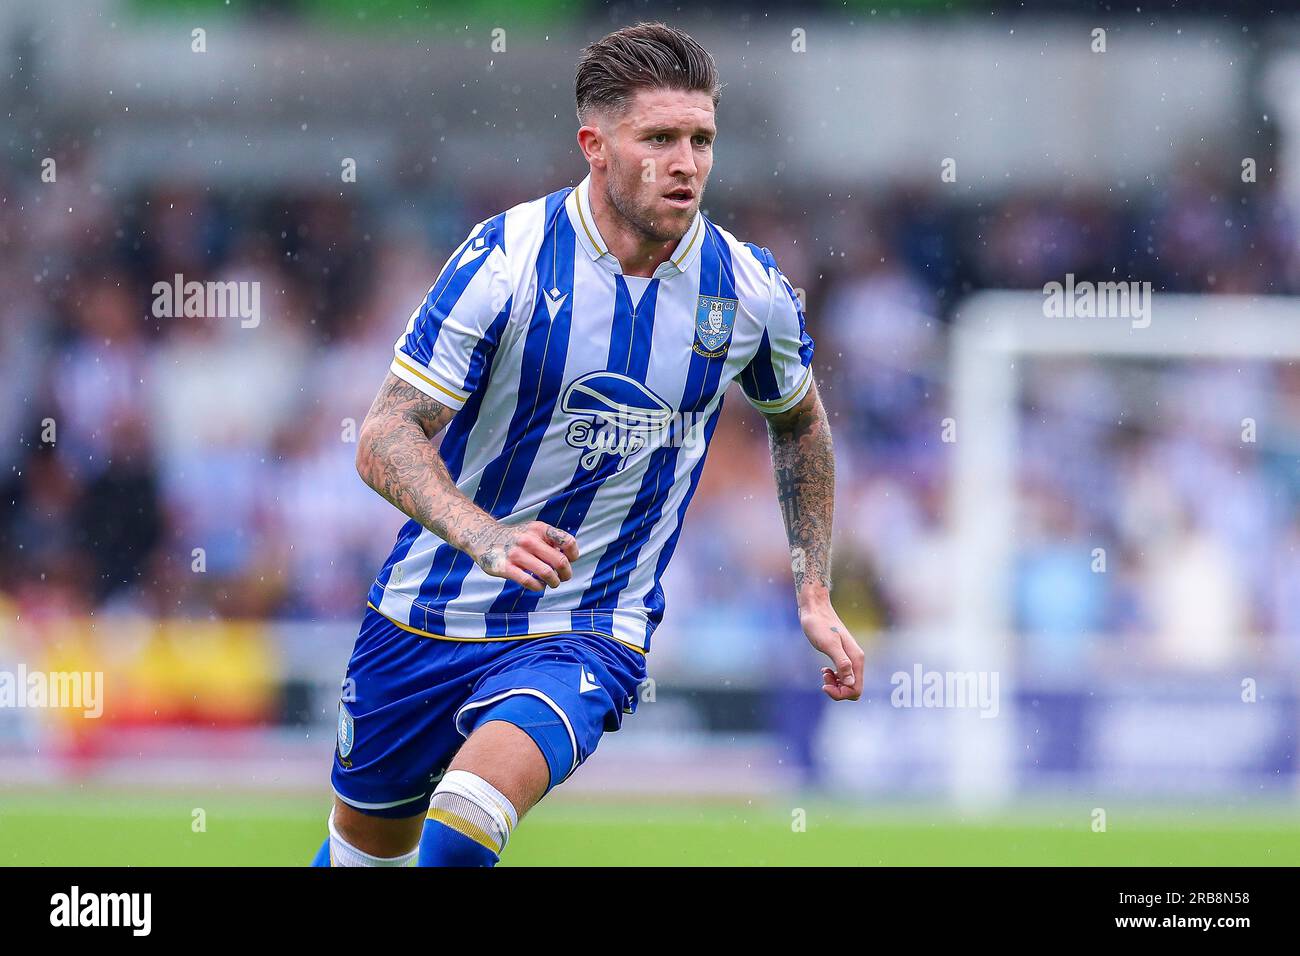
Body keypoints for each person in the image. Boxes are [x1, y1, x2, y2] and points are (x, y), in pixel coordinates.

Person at [312, 21, 861, 867]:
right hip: (425, 611)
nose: (687, 163)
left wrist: (813, 591)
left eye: (702, 139)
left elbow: (801, 425)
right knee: (365, 853)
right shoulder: (507, 261)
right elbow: (384, 435)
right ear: (595, 146)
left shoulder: (749, 292)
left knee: (464, 820)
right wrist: (484, 534)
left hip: (590, 622)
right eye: (660, 139)